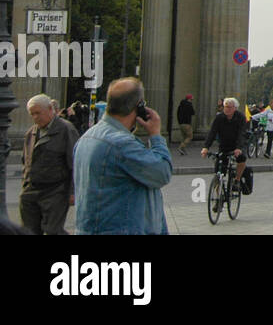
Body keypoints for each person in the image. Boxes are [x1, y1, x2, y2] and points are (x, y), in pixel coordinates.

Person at [74, 77, 172, 235]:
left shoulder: (87, 138)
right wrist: (156, 136)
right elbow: (162, 172)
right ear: (139, 106)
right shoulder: (122, 144)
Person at [20, 94, 79, 235]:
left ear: (50, 109)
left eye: (38, 113)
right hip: (31, 189)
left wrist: (73, 192)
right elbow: (25, 160)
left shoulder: (66, 130)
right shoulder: (31, 133)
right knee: (28, 231)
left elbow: (75, 163)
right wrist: (25, 183)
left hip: (55, 191)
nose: (35, 117)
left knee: (53, 231)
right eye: (32, 114)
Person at [200, 97, 249, 190]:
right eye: (225, 107)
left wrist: (238, 148)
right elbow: (212, 132)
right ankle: (218, 195)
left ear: (235, 108)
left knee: (242, 158)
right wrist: (206, 147)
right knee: (219, 169)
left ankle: (237, 179)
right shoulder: (219, 118)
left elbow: (242, 133)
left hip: (237, 144)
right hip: (224, 144)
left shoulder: (240, 117)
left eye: (230, 107)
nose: (227, 109)